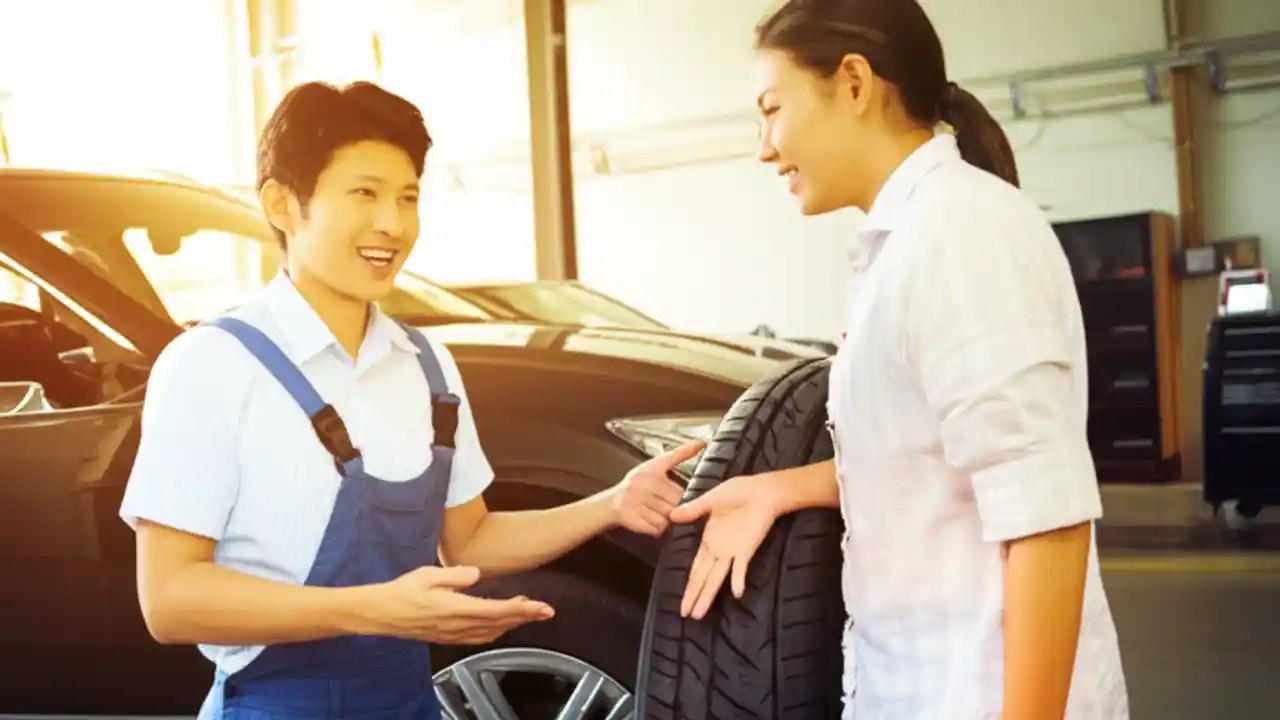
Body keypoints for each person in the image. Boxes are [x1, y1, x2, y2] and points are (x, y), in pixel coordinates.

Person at [119, 81, 701, 720]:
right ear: (283, 204)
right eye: (364, 193)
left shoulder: (426, 366)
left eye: (408, 197)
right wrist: (374, 608)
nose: (392, 225)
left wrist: (612, 504)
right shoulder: (212, 364)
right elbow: (170, 599)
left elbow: (470, 541)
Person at [669, 1, 1129, 718]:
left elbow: (1048, 519)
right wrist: (782, 489)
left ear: (853, 83)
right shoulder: (907, 241)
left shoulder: (960, 232)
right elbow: (931, 460)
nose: (765, 147)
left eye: (772, 109)